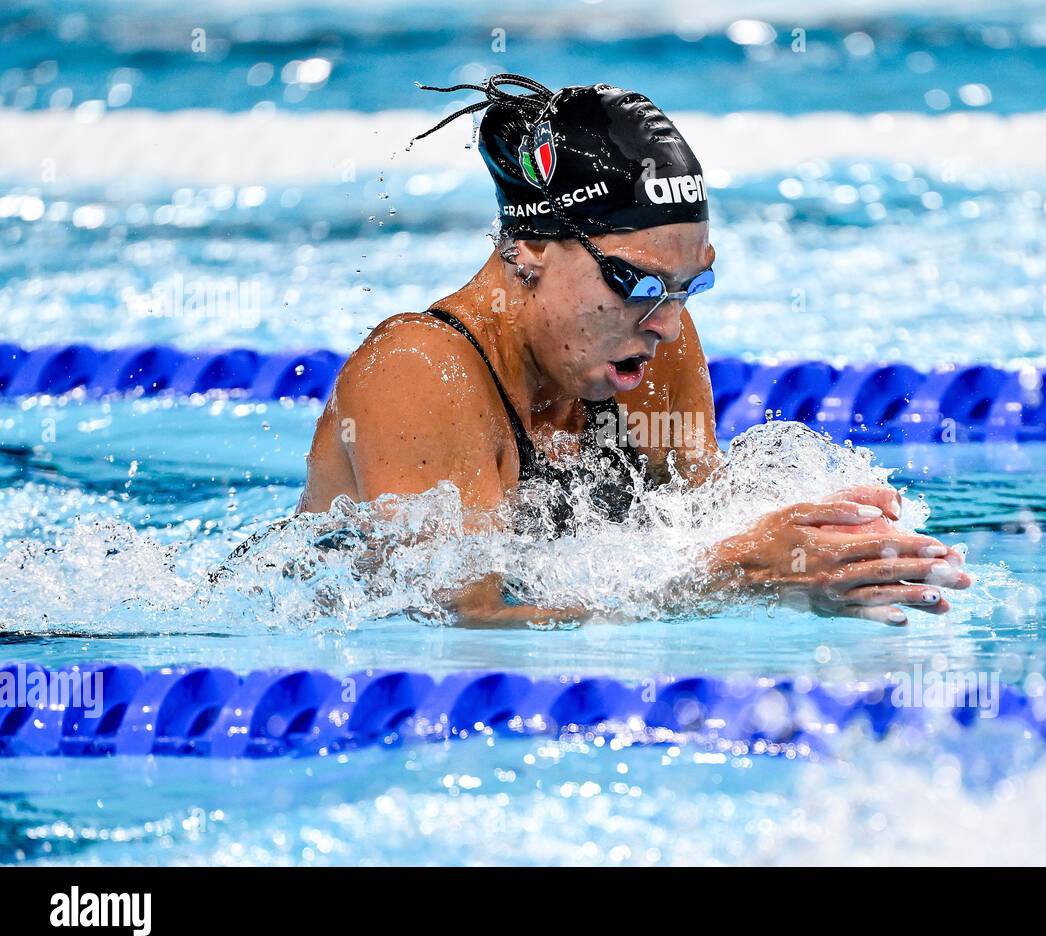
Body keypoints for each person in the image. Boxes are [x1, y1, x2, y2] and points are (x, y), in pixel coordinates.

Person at [298, 73, 970, 626]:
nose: (670, 325)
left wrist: (822, 546)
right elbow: (463, 628)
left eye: (688, 286)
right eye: (637, 281)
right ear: (527, 247)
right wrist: (747, 570)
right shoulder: (420, 372)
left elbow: (688, 524)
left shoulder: (643, 345)